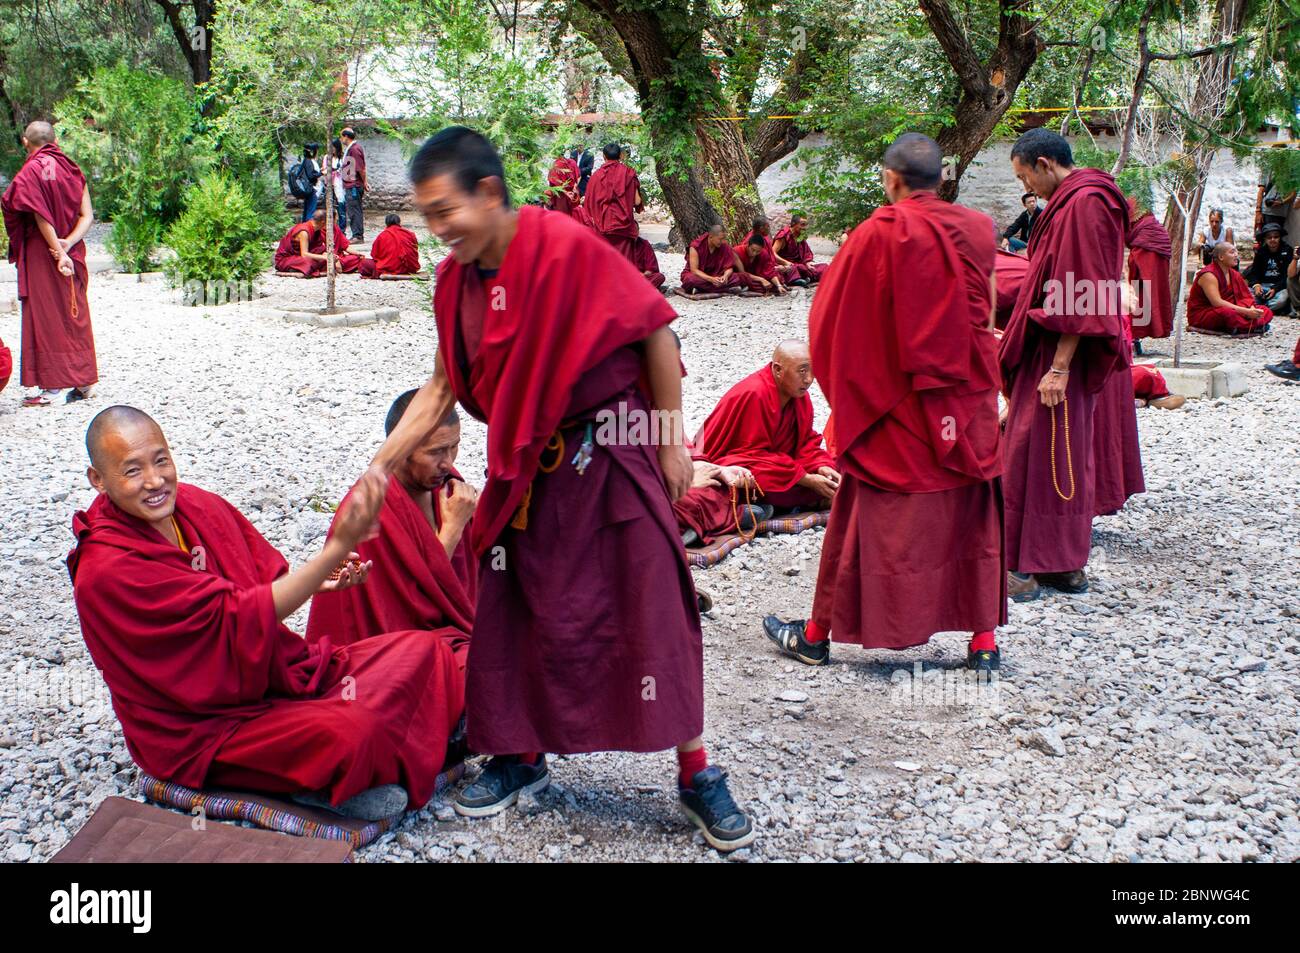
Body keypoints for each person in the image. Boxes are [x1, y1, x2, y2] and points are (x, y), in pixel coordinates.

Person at [371, 126, 753, 852]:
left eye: (445, 211)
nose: (438, 229)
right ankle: (520, 756)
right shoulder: (456, 281)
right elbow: (442, 384)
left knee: (654, 597)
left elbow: (657, 337)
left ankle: (695, 769)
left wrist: (671, 442)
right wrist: (378, 470)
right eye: (428, 216)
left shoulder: (563, 246)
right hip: (528, 464)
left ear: (489, 193)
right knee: (519, 601)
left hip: (611, 450)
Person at [68, 407, 467, 821]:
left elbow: (258, 585)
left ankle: (358, 766)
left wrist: (319, 578)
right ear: (98, 479)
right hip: (203, 727)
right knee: (351, 732)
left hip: (275, 676)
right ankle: (316, 782)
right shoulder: (107, 570)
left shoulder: (195, 506)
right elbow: (236, 614)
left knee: (425, 650)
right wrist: (329, 556)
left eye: (161, 460)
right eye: (132, 471)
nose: (154, 481)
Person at [762, 132, 1006, 672]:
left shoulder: (878, 233)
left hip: (898, 406)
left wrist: (857, 397)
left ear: (890, 179)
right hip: (964, 406)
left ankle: (815, 635)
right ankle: (983, 643)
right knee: (972, 509)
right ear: (942, 179)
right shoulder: (977, 228)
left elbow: (831, 323)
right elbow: (985, 314)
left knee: (863, 512)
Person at [999, 128, 1130, 601]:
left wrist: (1059, 367)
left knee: (1032, 452)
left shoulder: (1084, 203)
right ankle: (1063, 565)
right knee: (1060, 449)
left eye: (1024, 176)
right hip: (1054, 344)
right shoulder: (1078, 199)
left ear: (1044, 164)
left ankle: (1026, 567)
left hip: (1059, 351)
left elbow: (1083, 290)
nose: (1026, 188)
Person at [306, 394, 476, 646]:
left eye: (454, 447)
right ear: (401, 448)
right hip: (396, 650)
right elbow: (403, 612)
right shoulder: (369, 510)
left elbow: (477, 581)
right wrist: (451, 532)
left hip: (456, 634)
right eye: (436, 452)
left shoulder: (452, 489)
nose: (448, 462)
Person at [674, 341, 838, 546]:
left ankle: (769, 504)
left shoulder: (799, 397)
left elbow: (805, 442)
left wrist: (820, 467)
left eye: (812, 371)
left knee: (837, 473)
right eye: (802, 371)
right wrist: (805, 479)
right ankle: (735, 512)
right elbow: (745, 457)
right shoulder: (755, 393)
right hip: (726, 466)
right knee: (712, 491)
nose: (809, 379)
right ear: (777, 370)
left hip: (773, 468)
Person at [1, 121, 97, 407]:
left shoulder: (29, 171)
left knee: (45, 317)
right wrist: (68, 243)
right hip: (71, 247)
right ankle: (84, 383)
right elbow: (87, 215)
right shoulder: (72, 169)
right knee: (74, 313)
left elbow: (38, 214)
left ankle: (52, 389)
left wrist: (57, 250)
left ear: (25, 142)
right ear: (54, 140)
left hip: (43, 254)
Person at [1187, 242, 1273, 335]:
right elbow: (1217, 303)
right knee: (1228, 314)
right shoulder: (1209, 275)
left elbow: (1246, 297)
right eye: (1232, 252)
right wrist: (1246, 312)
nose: (1236, 255)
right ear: (1221, 257)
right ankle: (1254, 326)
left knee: (1265, 310)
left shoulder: (1234, 274)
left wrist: (1251, 309)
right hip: (1205, 313)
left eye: (1236, 252)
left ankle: (1241, 327)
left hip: (1234, 308)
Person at [583, 142, 644, 265]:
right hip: (624, 228)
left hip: (603, 227)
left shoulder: (596, 176)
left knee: (605, 266)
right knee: (624, 266)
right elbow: (637, 201)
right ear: (620, 156)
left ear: (604, 156)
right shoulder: (628, 174)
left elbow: (588, 205)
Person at [1126, 199, 1173, 340]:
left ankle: (1135, 334)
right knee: (1150, 292)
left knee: (1143, 293)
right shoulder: (1139, 199)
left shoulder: (1133, 201)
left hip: (1147, 249)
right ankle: (1137, 334)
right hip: (1151, 246)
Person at [679, 224, 747, 296]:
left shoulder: (723, 245)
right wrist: (711, 279)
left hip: (717, 276)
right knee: (690, 280)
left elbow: (729, 266)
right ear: (711, 237)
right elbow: (694, 270)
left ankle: (702, 289)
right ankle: (721, 288)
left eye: (724, 239)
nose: (722, 241)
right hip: (700, 276)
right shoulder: (696, 246)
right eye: (720, 239)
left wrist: (725, 276)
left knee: (738, 277)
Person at [1243, 223, 1292, 316]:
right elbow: (1254, 272)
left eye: (1276, 237)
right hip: (1262, 286)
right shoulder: (1261, 252)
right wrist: (1256, 285)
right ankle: (1265, 308)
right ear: (1265, 239)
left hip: (1279, 288)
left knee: (1282, 299)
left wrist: (1275, 288)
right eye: (1269, 237)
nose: (1272, 239)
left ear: (1280, 237)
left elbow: (1287, 275)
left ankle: (1260, 308)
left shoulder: (1287, 250)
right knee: (1246, 293)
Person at [360, 213, 421, 278]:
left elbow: (374, 255)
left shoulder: (382, 235)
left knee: (364, 263)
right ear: (399, 222)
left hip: (389, 268)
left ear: (386, 223)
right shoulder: (410, 234)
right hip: (410, 268)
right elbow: (415, 250)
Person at [743, 216, 800, 285]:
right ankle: (791, 280)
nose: (769, 229)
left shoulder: (765, 237)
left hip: (769, 266)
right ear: (761, 229)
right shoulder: (751, 241)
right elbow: (754, 264)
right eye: (768, 227)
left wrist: (783, 263)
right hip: (758, 270)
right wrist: (775, 268)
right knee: (780, 273)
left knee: (792, 267)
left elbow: (772, 254)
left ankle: (792, 279)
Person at [772, 214, 828, 284]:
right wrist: (786, 263)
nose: (805, 228)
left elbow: (806, 254)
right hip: (787, 265)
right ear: (793, 224)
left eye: (806, 225)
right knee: (796, 268)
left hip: (798, 265)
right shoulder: (784, 235)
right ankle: (798, 279)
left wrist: (808, 263)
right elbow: (772, 253)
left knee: (824, 266)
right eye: (802, 224)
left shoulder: (800, 236)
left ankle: (802, 277)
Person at [339, 127, 368, 242]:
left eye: (342, 136)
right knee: (353, 210)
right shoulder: (350, 149)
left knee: (354, 210)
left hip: (354, 185)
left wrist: (365, 182)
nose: (341, 139)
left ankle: (357, 236)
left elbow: (361, 169)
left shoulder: (354, 149)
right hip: (351, 184)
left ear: (346, 136)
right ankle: (357, 234)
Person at [1255, 166, 1296, 237]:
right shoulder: (1266, 167)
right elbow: (1261, 191)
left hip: (1280, 213)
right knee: (1264, 238)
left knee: (1275, 240)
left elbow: (1293, 193)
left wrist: (1282, 202)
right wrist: (1258, 211)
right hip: (1265, 211)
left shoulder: (1291, 168)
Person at [297, 143, 323, 222]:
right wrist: (321, 173)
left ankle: (305, 229)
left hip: (310, 189)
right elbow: (311, 176)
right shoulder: (309, 161)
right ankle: (308, 231)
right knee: (310, 212)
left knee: (307, 210)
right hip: (312, 189)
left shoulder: (307, 161)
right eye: (316, 150)